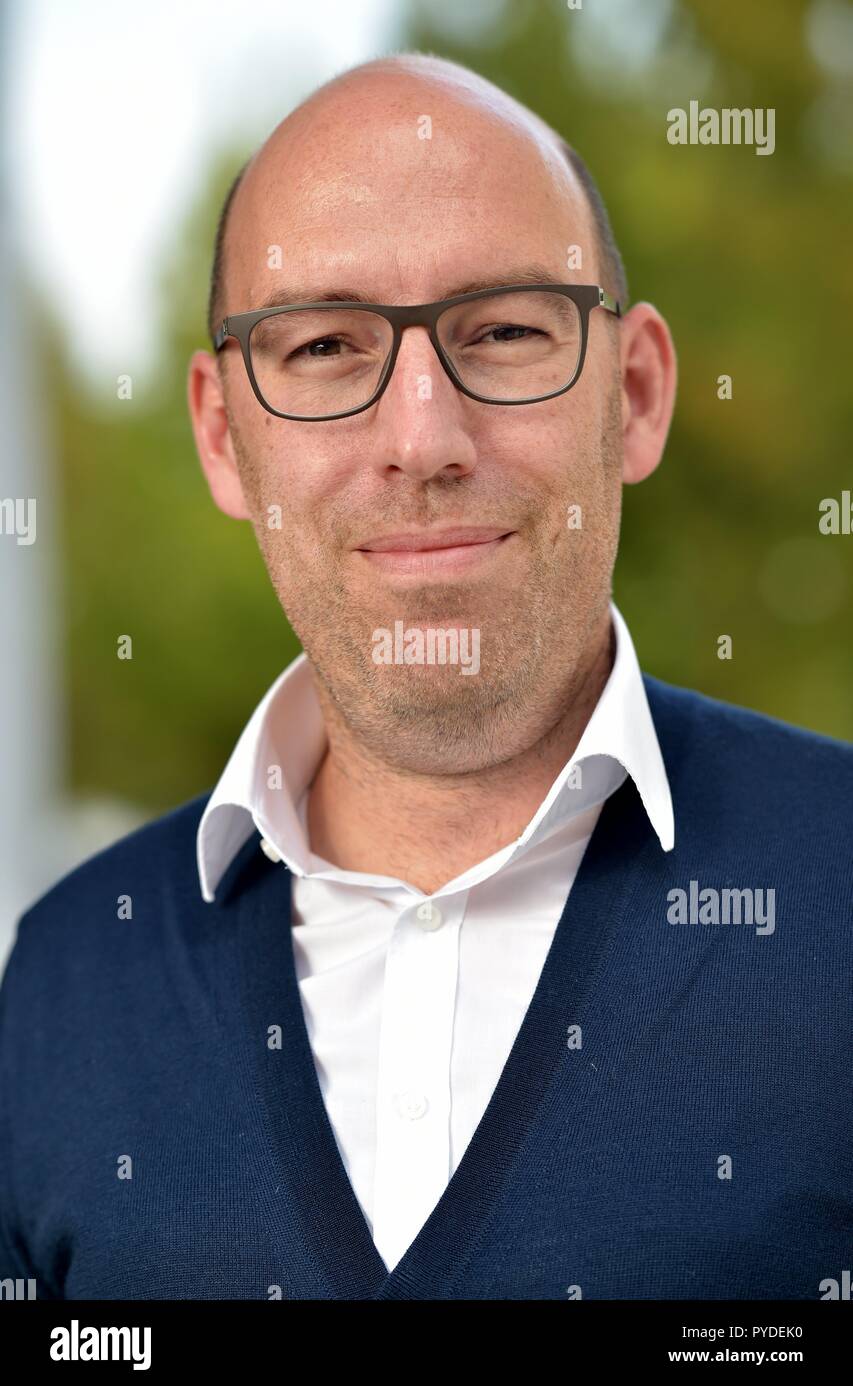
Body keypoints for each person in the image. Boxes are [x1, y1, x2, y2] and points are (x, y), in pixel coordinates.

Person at [1, 53, 850, 1302]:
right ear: (224, 438)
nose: (421, 441)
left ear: (637, 392)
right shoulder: (63, 981)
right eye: (327, 346)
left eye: (502, 330)